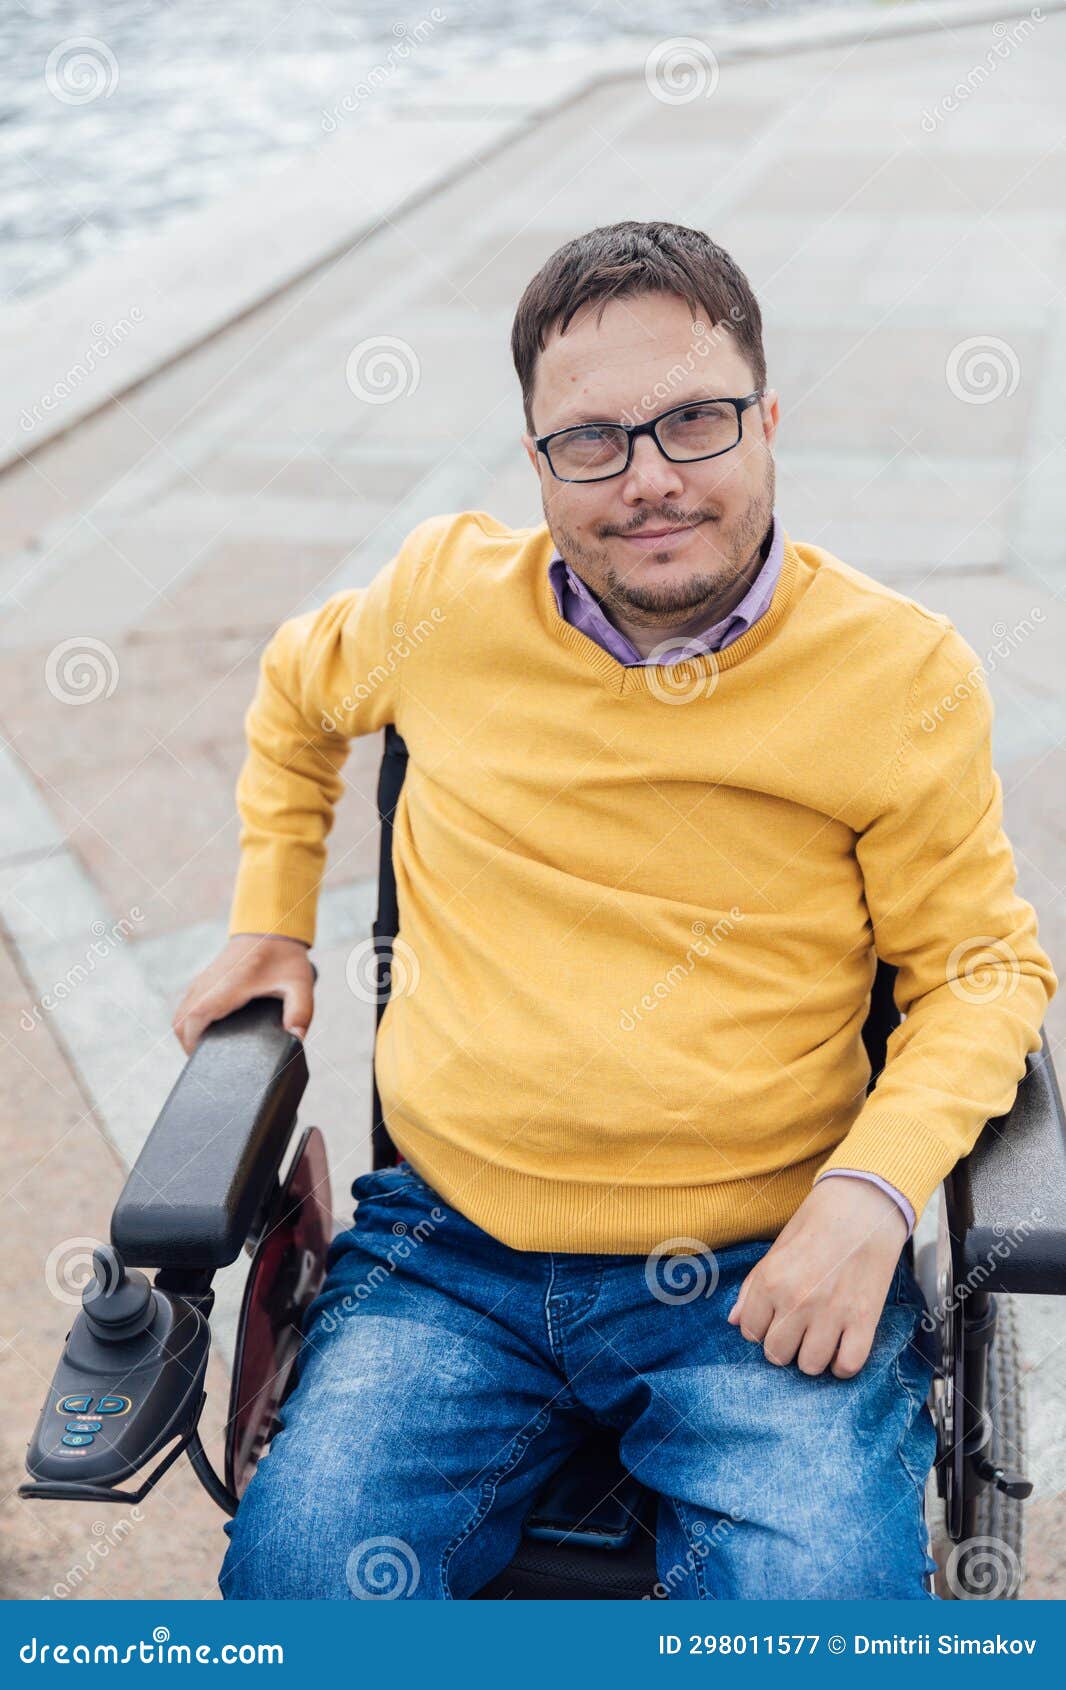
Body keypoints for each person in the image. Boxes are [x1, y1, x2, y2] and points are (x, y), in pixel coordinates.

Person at [173, 221, 1057, 1600]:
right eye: (590, 441)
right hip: (452, 1251)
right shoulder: (440, 605)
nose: (647, 479)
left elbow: (984, 969)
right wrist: (269, 914)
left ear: (766, 419)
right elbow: (297, 695)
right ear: (536, 461)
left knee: (819, 1620)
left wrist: (870, 1195)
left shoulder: (892, 674)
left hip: (761, 1260)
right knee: (305, 1588)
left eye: (693, 421)